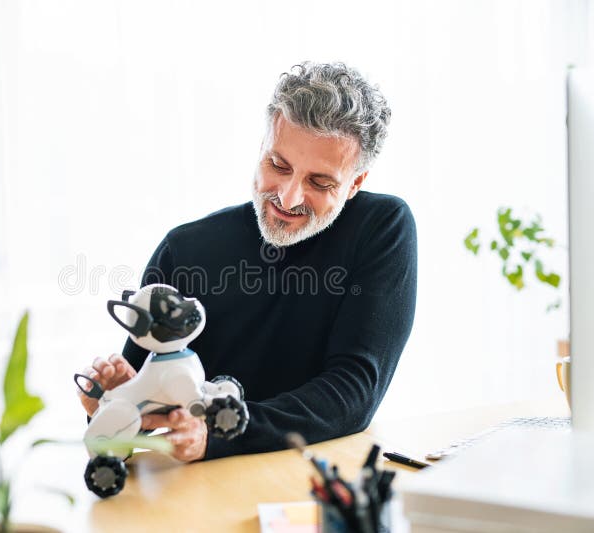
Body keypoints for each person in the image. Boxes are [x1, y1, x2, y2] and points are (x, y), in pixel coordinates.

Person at [79, 61, 417, 462]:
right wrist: (111, 404)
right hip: (204, 488)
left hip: (315, 480)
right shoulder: (184, 249)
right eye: (279, 165)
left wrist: (220, 436)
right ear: (261, 148)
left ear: (355, 184)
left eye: (320, 182)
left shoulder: (381, 228)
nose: (289, 198)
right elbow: (135, 400)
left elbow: (353, 390)